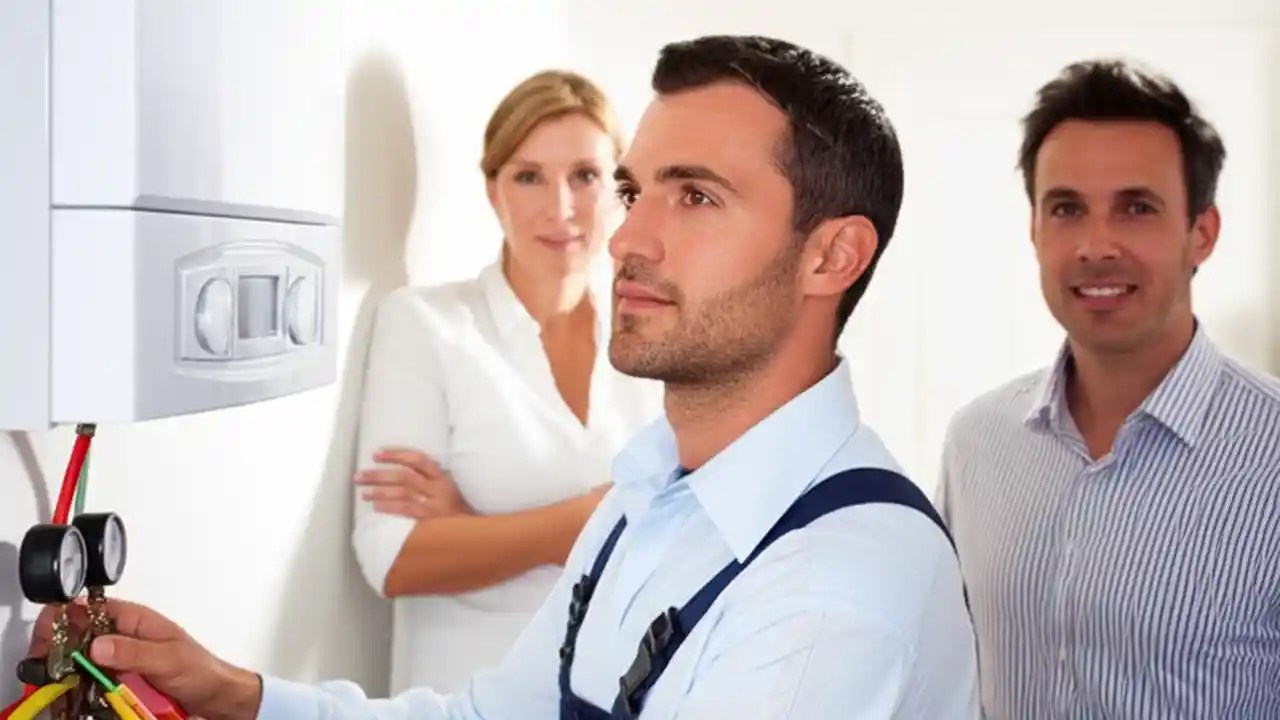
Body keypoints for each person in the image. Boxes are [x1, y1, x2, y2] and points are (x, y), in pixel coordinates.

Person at [28, 35, 977, 719]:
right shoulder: (647, 497)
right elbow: (491, 714)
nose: (628, 238)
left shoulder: (833, 587)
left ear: (831, 256)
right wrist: (239, 696)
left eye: (695, 196)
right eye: (638, 191)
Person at [937, 59, 1280, 718]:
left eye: (1136, 208)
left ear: (1201, 234)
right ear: (1035, 230)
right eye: (1067, 209)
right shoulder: (975, 442)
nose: (1096, 245)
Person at [349, 69, 663, 694]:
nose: (560, 208)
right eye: (528, 176)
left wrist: (477, 529)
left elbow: (682, 532)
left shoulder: (648, 336)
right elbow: (394, 558)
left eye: (585, 175)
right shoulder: (425, 325)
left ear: (619, 190)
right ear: (494, 190)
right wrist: (590, 518)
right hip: (460, 698)